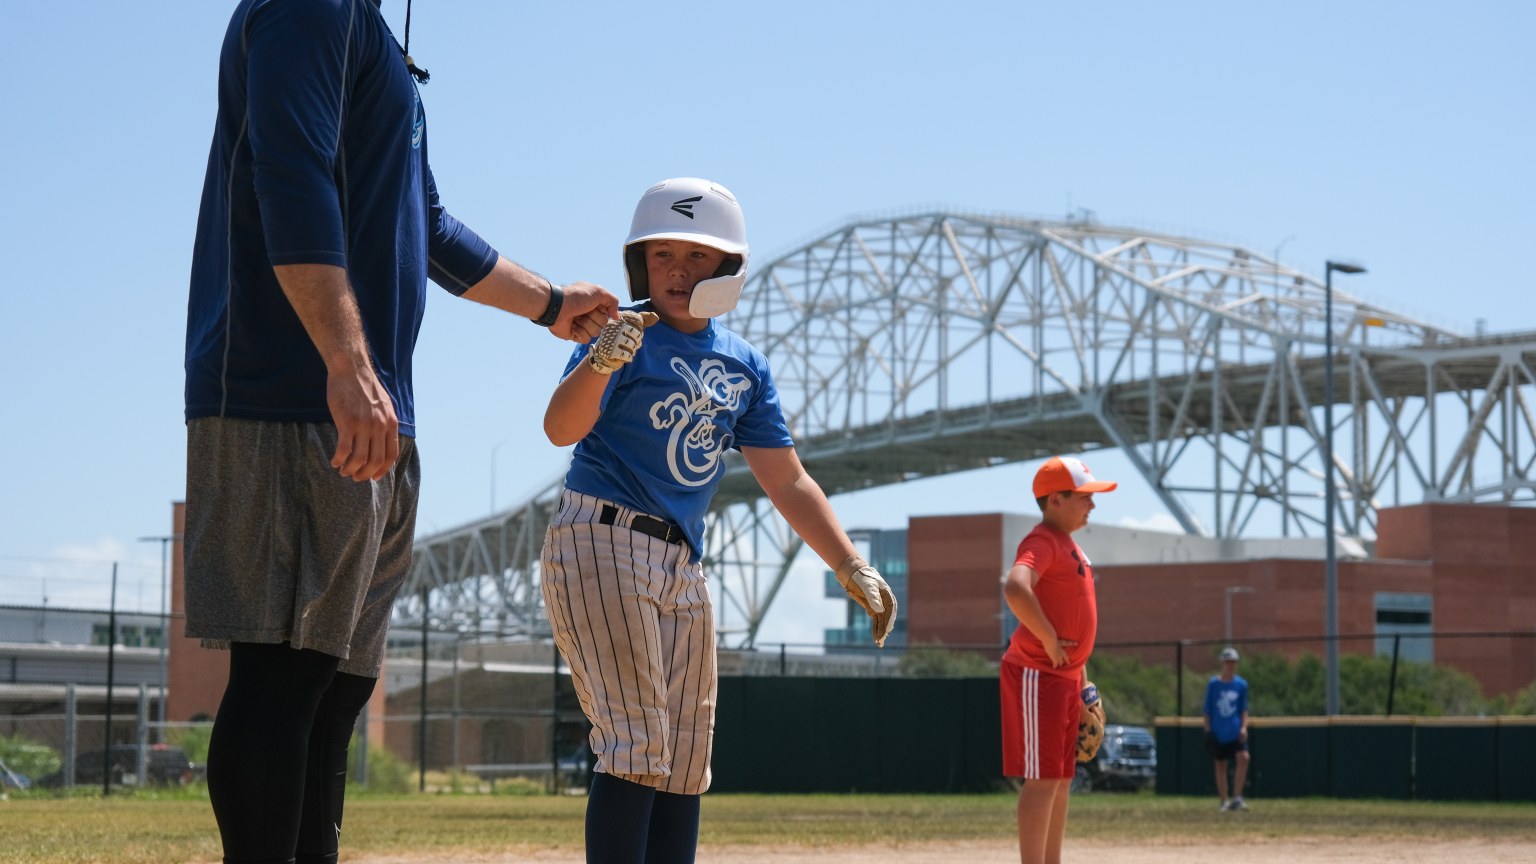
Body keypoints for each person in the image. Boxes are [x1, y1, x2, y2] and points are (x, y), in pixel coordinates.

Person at [182, 2, 618, 863]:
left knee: (335, 687)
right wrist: (345, 364)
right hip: (291, 392)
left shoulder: (373, 34)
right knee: (280, 673)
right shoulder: (314, 6)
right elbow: (291, 173)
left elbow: (430, 221)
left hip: (375, 403)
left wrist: (549, 307)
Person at [539, 177, 897, 864]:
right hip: (601, 535)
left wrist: (849, 563)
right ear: (637, 262)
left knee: (682, 759)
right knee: (637, 742)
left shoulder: (744, 364)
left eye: (698, 256)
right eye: (662, 254)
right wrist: (601, 360)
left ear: (729, 267)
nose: (677, 271)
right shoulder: (625, 332)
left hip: (680, 560)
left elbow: (787, 479)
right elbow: (560, 429)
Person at [1001, 456, 1117, 864]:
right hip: (1038, 672)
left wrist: (1084, 686)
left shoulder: (1070, 546)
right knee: (1044, 779)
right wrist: (1048, 638)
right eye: (1084, 497)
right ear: (1055, 500)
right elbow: (1016, 588)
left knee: (1063, 778)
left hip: (1065, 678)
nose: (1092, 505)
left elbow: (1075, 626)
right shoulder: (1043, 541)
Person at [1203, 646, 1252, 811]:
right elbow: (1207, 709)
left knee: (1244, 757)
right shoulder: (1214, 684)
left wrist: (1244, 727)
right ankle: (1223, 801)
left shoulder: (1241, 684)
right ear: (1222, 663)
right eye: (1228, 662)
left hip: (1235, 729)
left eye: (1233, 662)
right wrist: (1208, 730)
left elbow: (1243, 709)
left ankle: (1237, 797)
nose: (1230, 665)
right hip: (1219, 730)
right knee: (1220, 764)